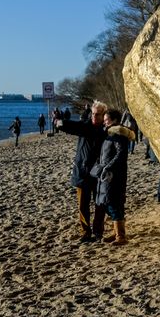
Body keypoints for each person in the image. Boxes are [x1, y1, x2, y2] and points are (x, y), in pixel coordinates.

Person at [56, 101, 109, 243]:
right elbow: (72, 126)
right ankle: (86, 232)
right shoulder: (85, 126)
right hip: (82, 172)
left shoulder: (106, 130)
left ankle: (98, 232)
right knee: (82, 205)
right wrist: (60, 122)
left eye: (97, 114)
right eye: (93, 113)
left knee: (100, 204)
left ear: (103, 115)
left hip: (99, 174)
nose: (94, 116)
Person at [92, 110, 135, 245]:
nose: (104, 122)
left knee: (113, 203)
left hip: (114, 176)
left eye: (107, 120)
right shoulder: (110, 134)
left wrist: (107, 167)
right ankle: (117, 232)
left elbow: (121, 154)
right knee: (110, 203)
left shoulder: (118, 134)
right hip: (109, 174)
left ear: (115, 120)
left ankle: (120, 236)